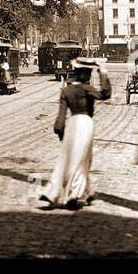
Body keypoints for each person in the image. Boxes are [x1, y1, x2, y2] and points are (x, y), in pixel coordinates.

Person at [40, 61, 105, 209]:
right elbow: (105, 94)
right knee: (82, 160)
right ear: (86, 75)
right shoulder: (87, 89)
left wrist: (60, 132)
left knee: (66, 160)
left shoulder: (66, 91)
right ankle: (74, 195)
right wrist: (103, 72)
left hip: (71, 124)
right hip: (85, 124)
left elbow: (60, 117)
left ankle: (76, 192)